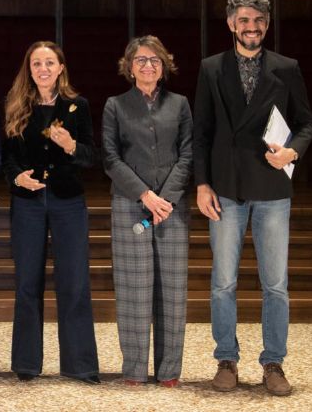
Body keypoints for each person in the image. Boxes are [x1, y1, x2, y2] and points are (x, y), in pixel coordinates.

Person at [193, 0, 312, 396]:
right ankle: (226, 359)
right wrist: (202, 184)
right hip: (226, 188)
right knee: (223, 282)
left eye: (259, 20)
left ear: (268, 24)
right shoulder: (211, 68)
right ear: (231, 23)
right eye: (244, 20)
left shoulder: (287, 67)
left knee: (275, 284)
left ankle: (273, 362)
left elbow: (306, 123)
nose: (252, 27)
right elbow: (201, 132)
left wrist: (293, 152)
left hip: (271, 187)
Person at [1, 41, 100, 385]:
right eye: (36, 64)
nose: (43, 69)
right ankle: (26, 363)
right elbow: (7, 157)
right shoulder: (16, 104)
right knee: (27, 282)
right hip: (27, 202)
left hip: (67, 201)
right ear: (29, 70)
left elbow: (91, 156)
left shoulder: (78, 105)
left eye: (49, 63)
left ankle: (80, 365)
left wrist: (70, 145)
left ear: (60, 68)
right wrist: (17, 177)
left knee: (74, 281)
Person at [102, 35, 193, 388]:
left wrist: (164, 199)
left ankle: (169, 370)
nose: (148, 66)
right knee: (134, 289)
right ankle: (135, 368)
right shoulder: (115, 105)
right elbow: (111, 158)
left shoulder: (180, 104)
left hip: (172, 208)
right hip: (130, 205)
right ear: (129, 66)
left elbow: (188, 154)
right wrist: (146, 196)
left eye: (154, 60)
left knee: (172, 290)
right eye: (140, 60)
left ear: (164, 65)